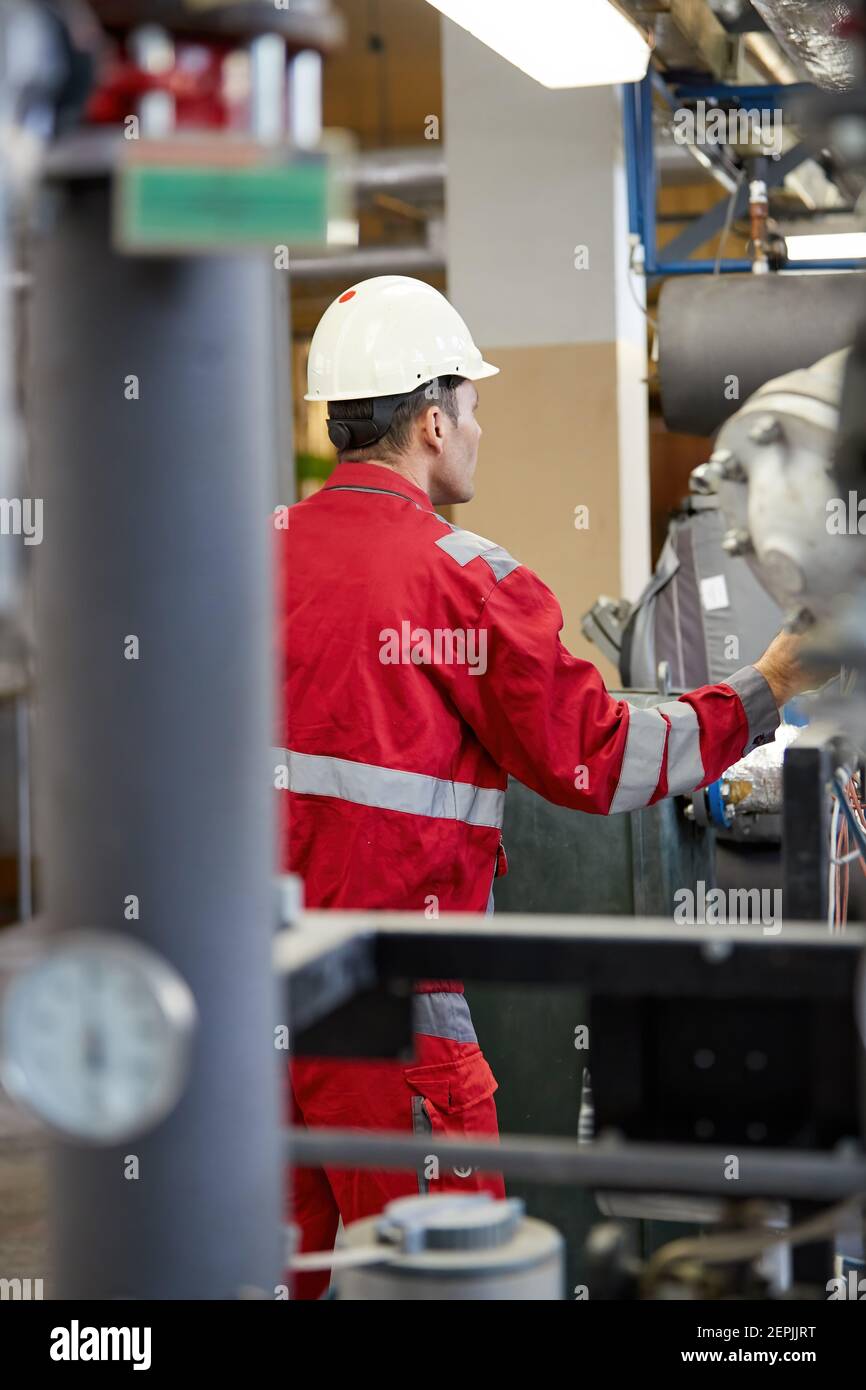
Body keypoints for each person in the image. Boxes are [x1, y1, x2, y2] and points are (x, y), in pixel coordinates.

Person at [275, 275, 805, 1298]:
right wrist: (769, 685)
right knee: (442, 1285)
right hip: (394, 1016)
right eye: (472, 405)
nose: (479, 429)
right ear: (433, 420)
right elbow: (603, 756)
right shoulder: (465, 579)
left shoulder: (253, 556)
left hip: (257, 1000)